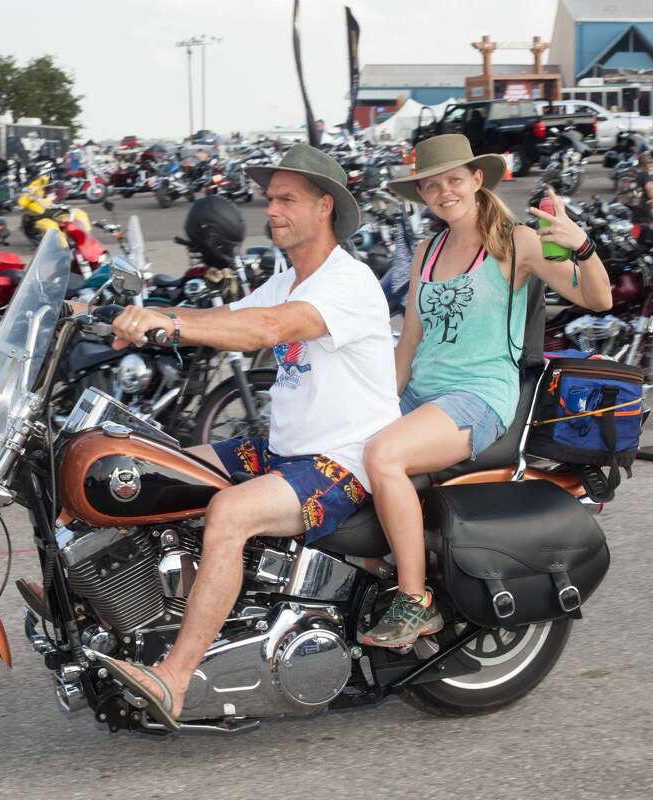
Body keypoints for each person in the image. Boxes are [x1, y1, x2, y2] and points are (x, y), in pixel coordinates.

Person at [83, 144, 400, 727]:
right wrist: (124, 316)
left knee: (229, 512)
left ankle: (174, 679)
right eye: (270, 198)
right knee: (151, 466)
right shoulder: (288, 278)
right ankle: (128, 617)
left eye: (286, 199)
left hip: (343, 458)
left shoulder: (347, 283)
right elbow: (229, 320)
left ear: (324, 207)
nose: (271, 210)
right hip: (284, 445)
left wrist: (168, 321)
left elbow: (267, 329)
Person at [358, 133, 614, 647]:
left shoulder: (515, 241)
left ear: (477, 180)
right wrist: (377, 403)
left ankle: (415, 603)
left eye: (454, 180)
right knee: (339, 451)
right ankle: (368, 577)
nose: (443, 192)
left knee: (383, 456)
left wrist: (579, 243)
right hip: (422, 394)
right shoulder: (427, 250)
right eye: (432, 185)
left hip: (479, 397)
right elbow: (410, 339)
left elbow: (598, 297)